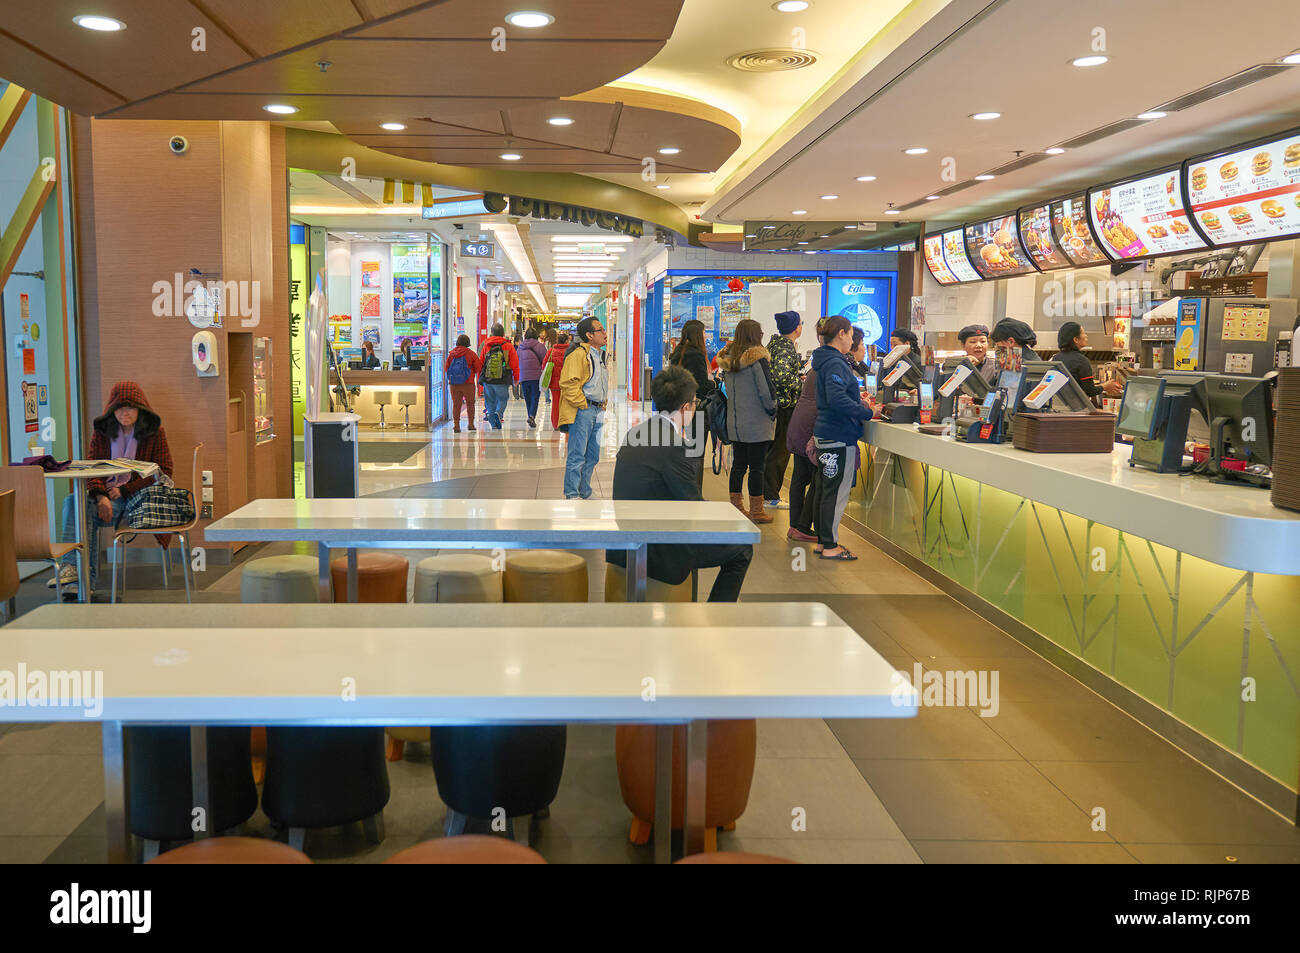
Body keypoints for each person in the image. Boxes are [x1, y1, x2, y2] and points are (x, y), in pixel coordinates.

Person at [605, 367, 753, 601]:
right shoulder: (675, 445)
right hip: (658, 548)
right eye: (694, 403)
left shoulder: (636, 432)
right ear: (686, 408)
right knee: (742, 549)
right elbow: (692, 506)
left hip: (623, 543)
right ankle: (718, 614)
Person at [50, 381, 175, 597]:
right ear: (111, 410)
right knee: (74, 503)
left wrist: (125, 490)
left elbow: (163, 470)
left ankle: (80, 581)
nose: (124, 413)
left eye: (130, 407)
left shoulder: (154, 432)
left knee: (82, 512)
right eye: (119, 407)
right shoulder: (102, 432)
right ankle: (75, 575)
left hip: (135, 500)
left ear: (141, 409)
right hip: (106, 497)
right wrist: (101, 496)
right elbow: (91, 467)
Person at [811, 316, 874, 561]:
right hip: (838, 434)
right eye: (850, 335)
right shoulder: (836, 363)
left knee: (825, 490)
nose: (851, 340)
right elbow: (837, 399)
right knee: (835, 492)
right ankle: (830, 545)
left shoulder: (824, 360)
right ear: (840, 334)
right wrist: (866, 411)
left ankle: (822, 541)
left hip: (826, 433)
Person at [716, 318, 777, 525]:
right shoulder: (757, 360)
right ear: (755, 334)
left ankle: (736, 506)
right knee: (757, 467)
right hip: (757, 422)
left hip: (736, 422)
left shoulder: (729, 361)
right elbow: (766, 392)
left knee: (739, 465)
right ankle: (756, 510)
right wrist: (773, 410)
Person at [558, 316, 608, 499]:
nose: (605, 333)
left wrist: (602, 404)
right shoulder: (579, 355)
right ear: (589, 335)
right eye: (600, 330)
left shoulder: (600, 355)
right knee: (577, 455)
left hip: (597, 410)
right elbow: (568, 384)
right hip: (583, 411)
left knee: (593, 455)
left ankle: (584, 490)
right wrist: (583, 404)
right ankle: (572, 493)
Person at [784, 320, 825, 543]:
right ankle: (803, 526)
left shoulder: (817, 360)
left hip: (800, 421)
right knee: (817, 478)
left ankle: (795, 526)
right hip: (811, 426)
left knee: (800, 477)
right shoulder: (831, 362)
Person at [762, 311, 803, 510]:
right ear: (796, 327)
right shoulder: (785, 348)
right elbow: (780, 377)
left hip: (774, 406)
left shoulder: (775, 345)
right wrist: (800, 382)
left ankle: (766, 493)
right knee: (779, 452)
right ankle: (770, 495)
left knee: (773, 451)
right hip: (785, 407)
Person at [669, 319, 715, 490]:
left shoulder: (678, 352)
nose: (705, 335)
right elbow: (701, 384)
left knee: (686, 450)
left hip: (679, 408)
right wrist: (715, 382)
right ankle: (694, 493)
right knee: (696, 452)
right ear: (697, 334)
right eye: (703, 332)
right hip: (696, 409)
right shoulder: (696, 354)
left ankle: (682, 489)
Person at [1057, 321, 1124, 401]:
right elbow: (1089, 391)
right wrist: (1106, 386)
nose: (1086, 336)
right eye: (1083, 333)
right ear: (1076, 340)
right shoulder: (1081, 360)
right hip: (1077, 409)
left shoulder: (1056, 358)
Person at [477, 323, 519, 429]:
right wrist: (516, 377)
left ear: (492, 333)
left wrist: (479, 375)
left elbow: (481, 361)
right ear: (503, 333)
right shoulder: (508, 345)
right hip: (503, 378)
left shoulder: (486, 344)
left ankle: (493, 422)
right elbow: (514, 363)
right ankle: (499, 413)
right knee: (503, 398)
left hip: (488, 377)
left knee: (490, 400)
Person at [444, 333, 480, 433]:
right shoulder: (471, 354)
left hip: (454, 383)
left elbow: (446, 368)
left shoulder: (451, 354)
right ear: (468, 343)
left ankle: (456, 425)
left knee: (456, 404)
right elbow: (478, 368)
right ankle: (471, 424)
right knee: (470, 404)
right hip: (468, 383)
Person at [516, 327, 548, 428]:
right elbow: (545, 361)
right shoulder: (540, 346)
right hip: (536, 377)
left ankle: (530, 415)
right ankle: (531, 415)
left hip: (523, 377)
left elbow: (517, 361)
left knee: (527, 397)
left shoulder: (520, 347)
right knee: (535, 397)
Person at [544, 332, 569, 429]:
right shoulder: (570, 351)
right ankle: (566, 423)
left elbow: (544, 365)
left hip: (554, 383)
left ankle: (555, 424)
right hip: (567, 382)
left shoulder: (551, 351)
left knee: (555, 403)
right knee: (567, 403)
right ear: (567, 341)